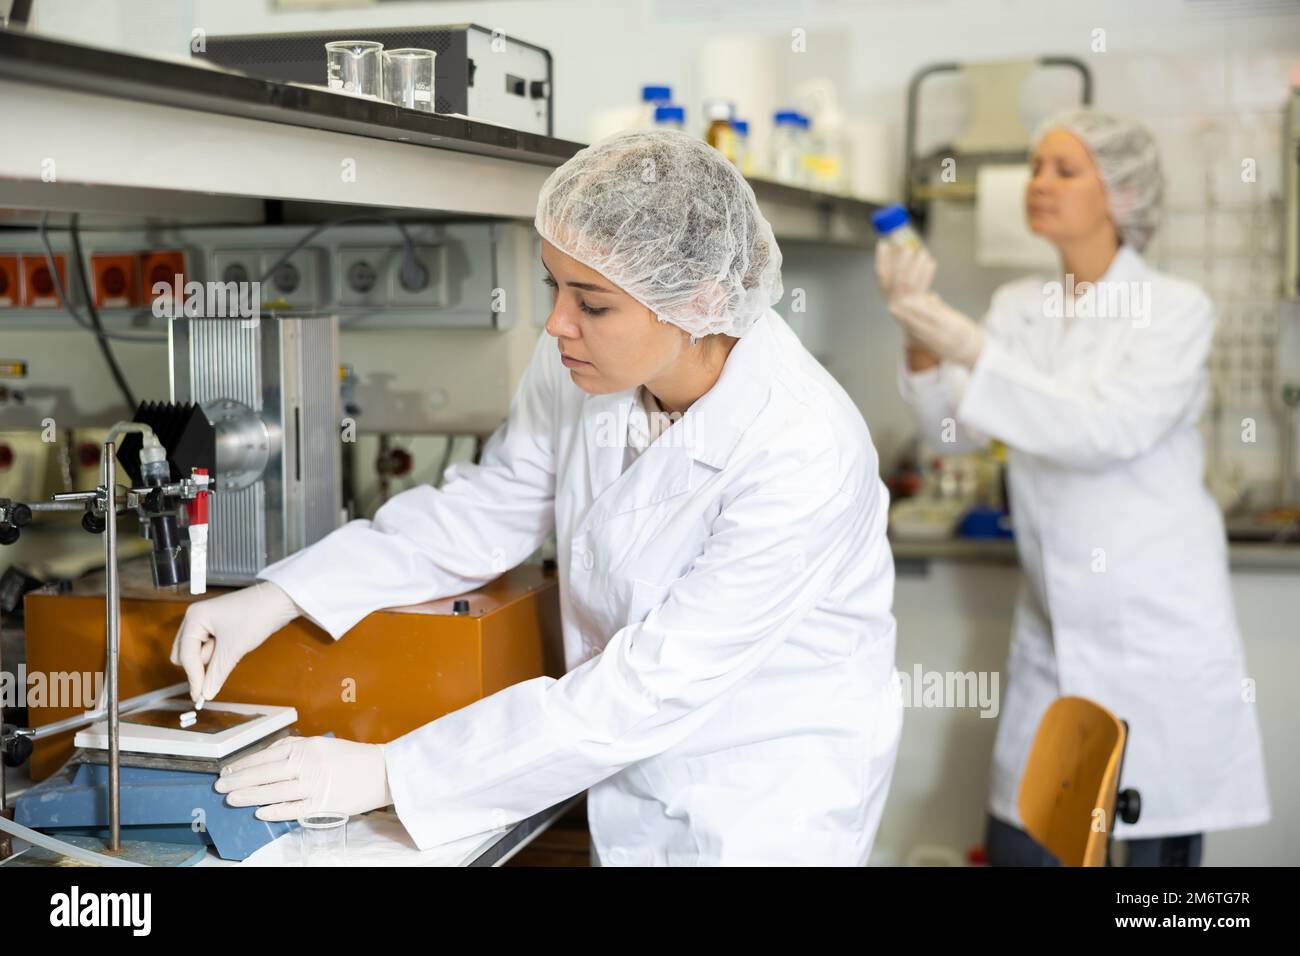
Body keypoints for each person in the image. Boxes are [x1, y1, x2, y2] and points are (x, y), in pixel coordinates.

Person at [172, 128, 903, 866]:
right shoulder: (586, 364)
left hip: (761, 805)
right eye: (555, 286)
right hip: (626, 776)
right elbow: (487, 510)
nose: (557, 323)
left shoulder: (802, 450)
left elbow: (646, 689)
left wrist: (389, 773)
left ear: (700, 299)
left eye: (592, 303)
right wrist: (283, 595)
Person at [879, 108, 1270, 866]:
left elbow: (1104, 432)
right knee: (1025, 839)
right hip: (1053, 631)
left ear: (1122, 193)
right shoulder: (1023, 307)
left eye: (1065, 169)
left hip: (1158, 632)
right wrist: (920, 340)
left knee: (1157, 877)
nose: (1039, 183)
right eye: (1035, 168)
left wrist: (971, 347)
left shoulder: (1174, 310)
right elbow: (954, 437)